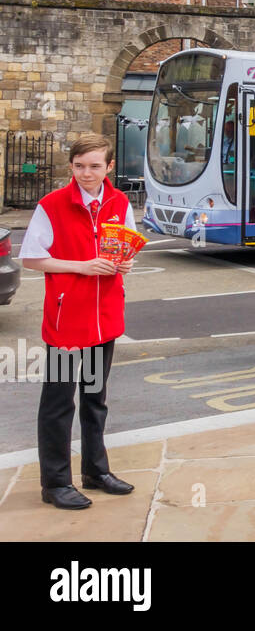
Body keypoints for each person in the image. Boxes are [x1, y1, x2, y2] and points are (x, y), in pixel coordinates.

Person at [20, 134, 137, 510]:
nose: (86, 173)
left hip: (105, 317)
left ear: (109, 167)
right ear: (71, 166)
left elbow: (127, 248)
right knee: (58, 404)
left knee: (95, 400)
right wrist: (81, 267)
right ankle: (55, 483)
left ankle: (95, 471)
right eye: (79, 166)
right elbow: (32, 258)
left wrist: (126, 264)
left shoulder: (119, 202)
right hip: (66, 318)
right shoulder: (51, 205)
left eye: (95, 166)